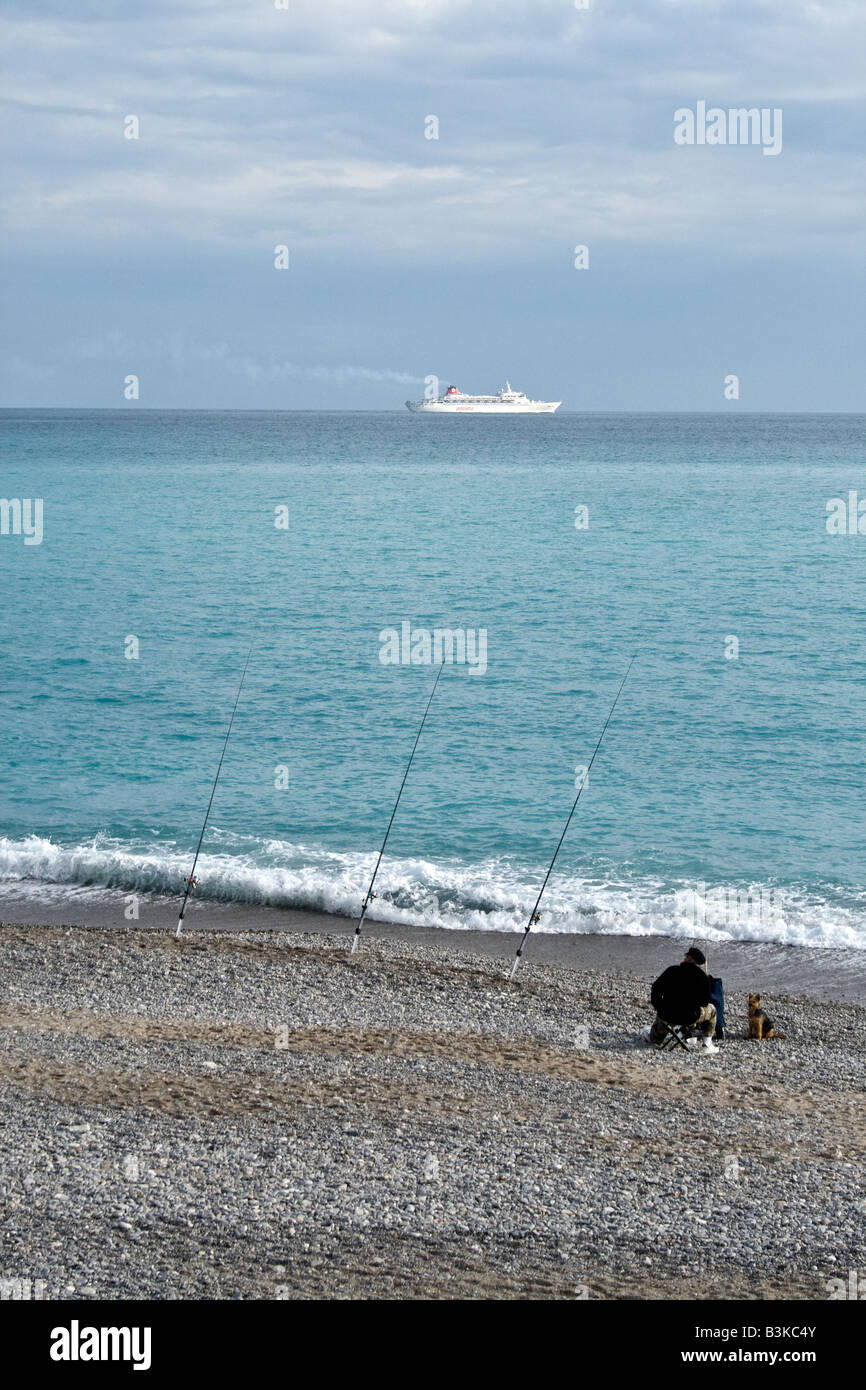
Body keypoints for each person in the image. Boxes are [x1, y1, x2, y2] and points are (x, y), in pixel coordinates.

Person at [650, 946, 718, 1052]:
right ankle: (707, 1044)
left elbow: (656, 989)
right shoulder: (702, 978)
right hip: (690, 1017)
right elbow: (705, 1002)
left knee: (654, 1040)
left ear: (687, 959)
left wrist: (658, 1007)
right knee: (712, 1010)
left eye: (686, 956)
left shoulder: (671, 970)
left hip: (667, 1014)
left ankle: (664, 1034)